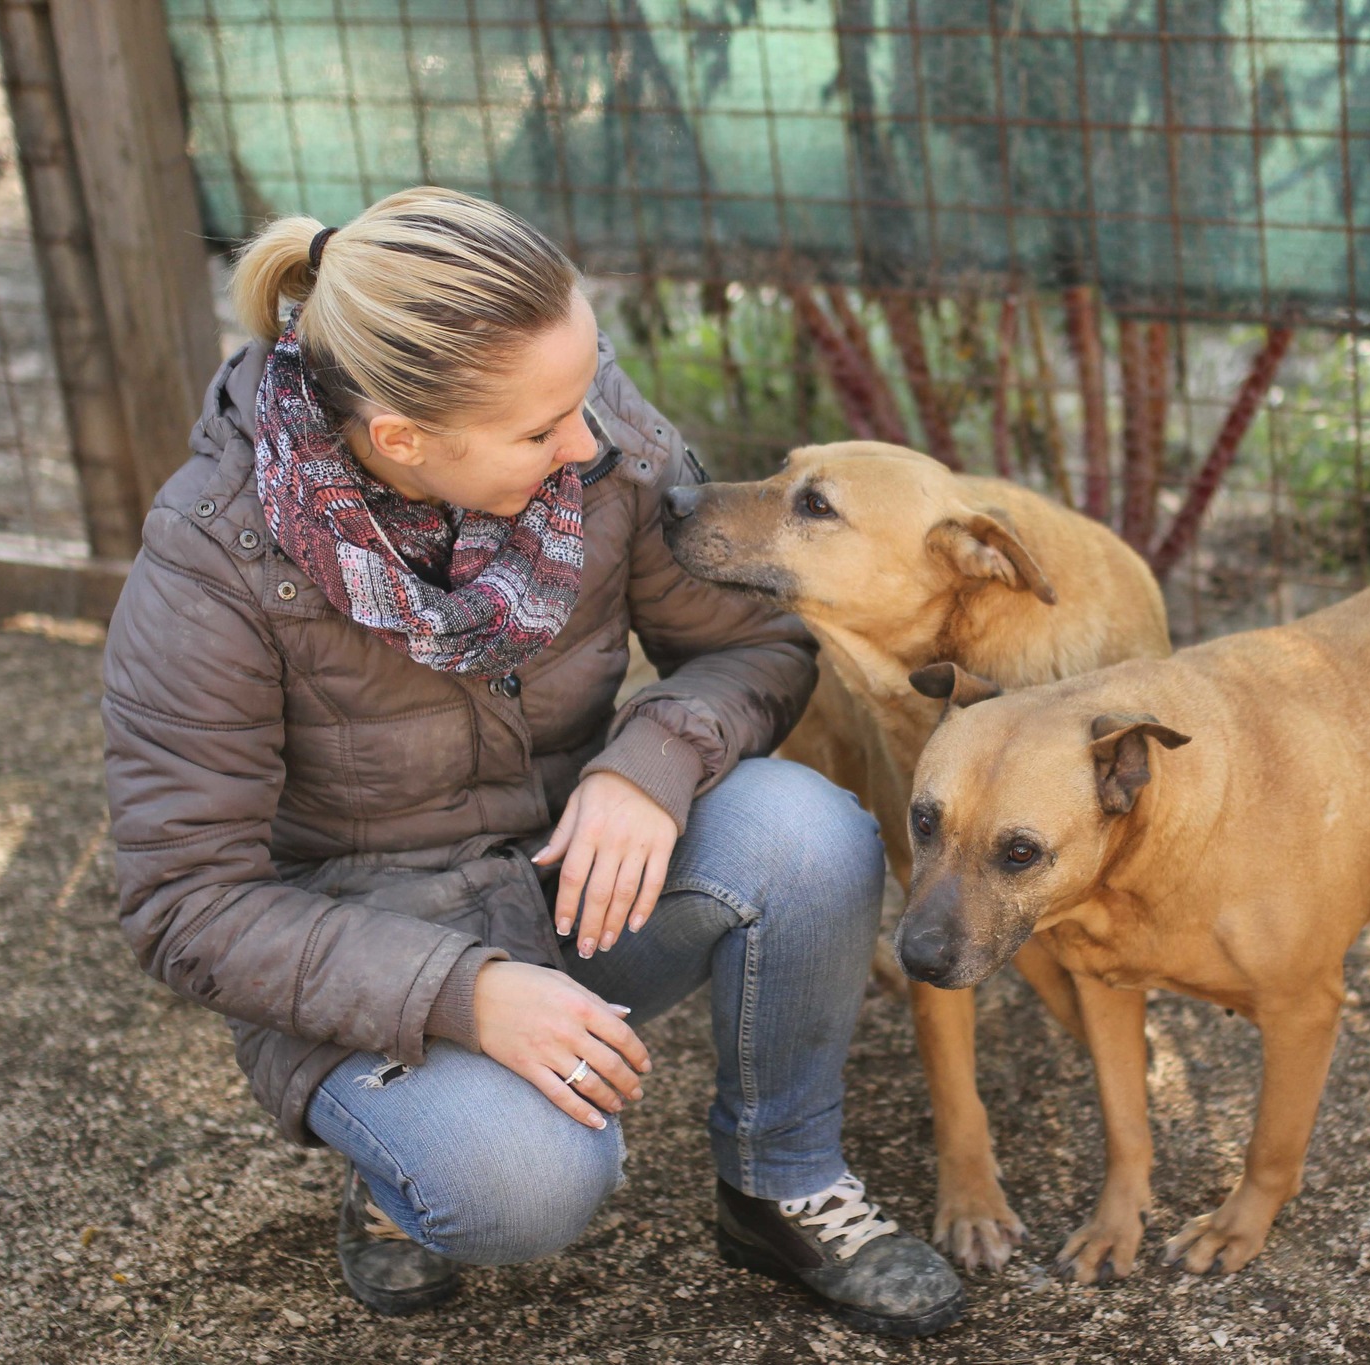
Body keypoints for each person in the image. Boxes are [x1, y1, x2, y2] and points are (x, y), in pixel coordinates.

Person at [99, 186, 964, 1337]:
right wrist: (456, 993)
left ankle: (781, 1182)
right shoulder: (213, 564)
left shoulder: (582, 421)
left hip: (560, 874)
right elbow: (181, 903)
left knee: (808, 834)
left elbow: (753, 641)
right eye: (540, 432)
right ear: (403, 440)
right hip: (363, 949)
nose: (590, 443)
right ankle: (397, 1171)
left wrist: (649, 759)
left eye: (586, 385)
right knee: (528, 1181)